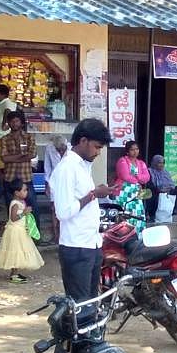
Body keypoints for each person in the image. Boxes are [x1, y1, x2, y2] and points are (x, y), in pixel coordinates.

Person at [51, 118, 112, 304]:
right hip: (76, 247)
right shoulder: (67, 168)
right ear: (83, 141)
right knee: (80, 303)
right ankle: (80, 333)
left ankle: (91, 333)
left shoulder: (83, 165)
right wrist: (94, 194)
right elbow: (63, 211)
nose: (98, 152)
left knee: (92, 301)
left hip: (91, 244)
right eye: (97, 147)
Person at [0, 110, 45, 239]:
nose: (14, 123)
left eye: (17, 121)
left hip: (26, 179)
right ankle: (14, 238)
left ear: (21, 122)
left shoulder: (29, 137)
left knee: (33, 208)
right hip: (10, 179)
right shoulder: (4, 139)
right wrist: (22, 156)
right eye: (12, 121)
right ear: (8, 123)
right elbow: (4, 158)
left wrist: (13, 157)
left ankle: (35, 236)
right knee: (12, 209)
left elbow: (33, 154)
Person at [0, 181, 45, 283]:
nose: (26, 192)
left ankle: (14, 273)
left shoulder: (21, 202)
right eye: (24, 190)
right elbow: (13, 218)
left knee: (18, 252)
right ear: (16, 192)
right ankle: (14, 274)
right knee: (16, 252)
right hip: (15, 231)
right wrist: (24, 213)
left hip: (20, 230)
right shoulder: (15, 203)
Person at [43, 136, 69, 241]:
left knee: (66, 207)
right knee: (54, 209)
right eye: (59, 150)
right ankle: (56, 234)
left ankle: (65, 234)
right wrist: (47, 184)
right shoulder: (49, 148)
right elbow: (47, 167)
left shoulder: (71, 149)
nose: (61, 151)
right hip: (54, 182)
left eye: (63, 149)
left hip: (68, 183)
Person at [145, 154, 177, 223]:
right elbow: (150, 185)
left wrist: (168, 189)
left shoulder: (165, 172)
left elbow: (171, 184)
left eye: (163, 163)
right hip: (156, 190)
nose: (162, 165)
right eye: (159, 163)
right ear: (155, 163)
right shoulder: (149, 172)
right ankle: (151, 215)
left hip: (167, 190)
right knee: (152, 192)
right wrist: (160, 189)